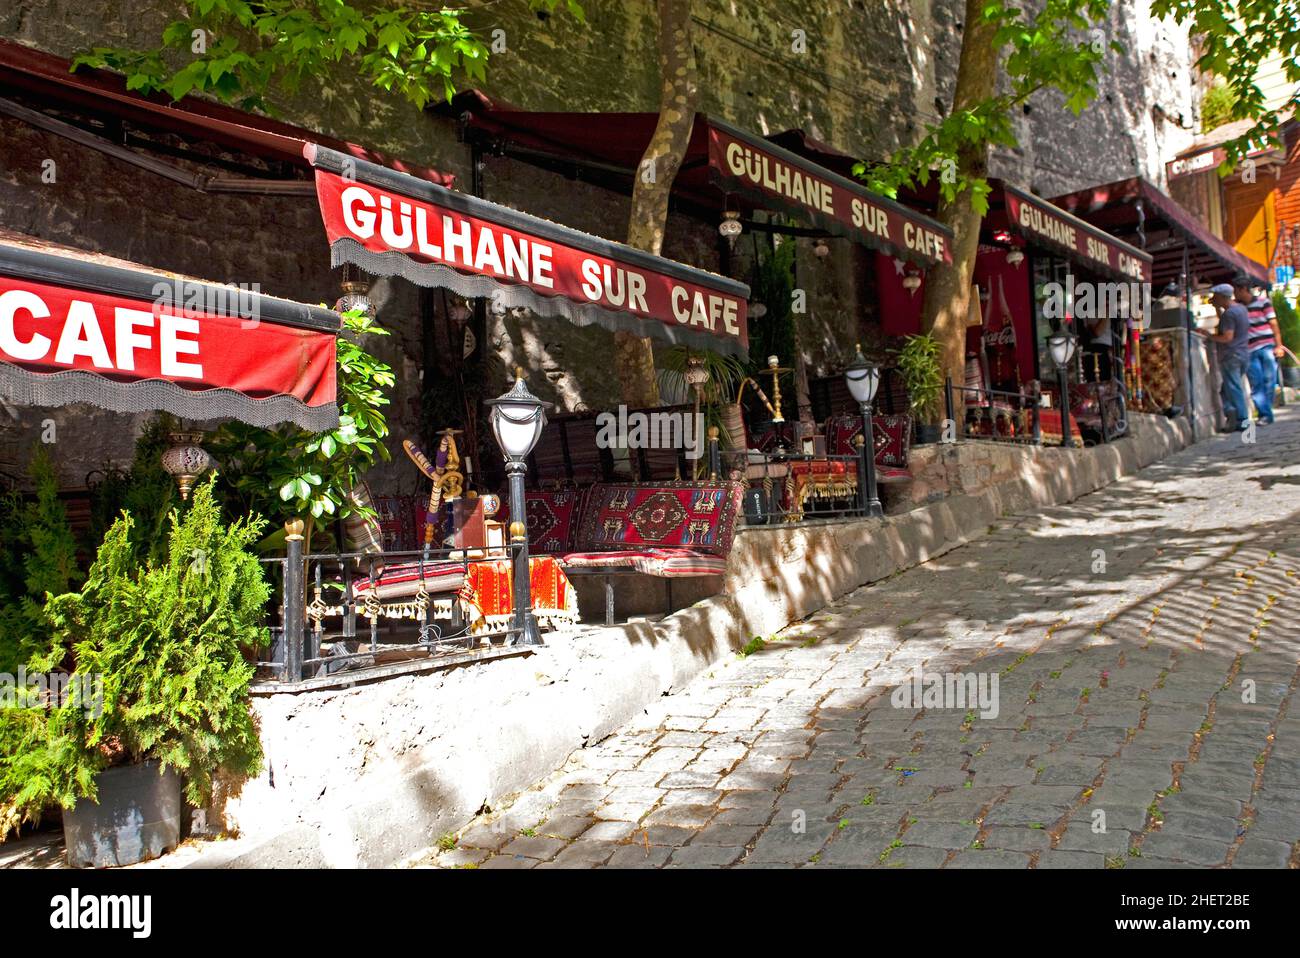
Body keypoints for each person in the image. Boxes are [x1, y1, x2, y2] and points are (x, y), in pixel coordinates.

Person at [1201, 281, 1251, 432]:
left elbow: (1227, 337)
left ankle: (1242, 420)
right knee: (1227, 389)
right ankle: (1232, 419)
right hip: (1242, 354)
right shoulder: (1241, 309)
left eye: (1215, 297)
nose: (1213, 299)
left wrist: (1210, 336)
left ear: (1222, 297)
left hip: (1231, 355)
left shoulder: (1229, 314)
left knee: (1233, 388)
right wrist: (1217, 309)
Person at [1243, 279, 1284, 425]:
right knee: (1256, 383)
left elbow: (1274, 324)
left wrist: (1278, 346)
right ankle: (1265, 414)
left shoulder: (1263, 302)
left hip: (1267, 346)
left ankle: (1265, 412)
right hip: (1250, 349)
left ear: (1244, 290)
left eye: (1236, 290)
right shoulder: (1239, 307)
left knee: (1269, 380)